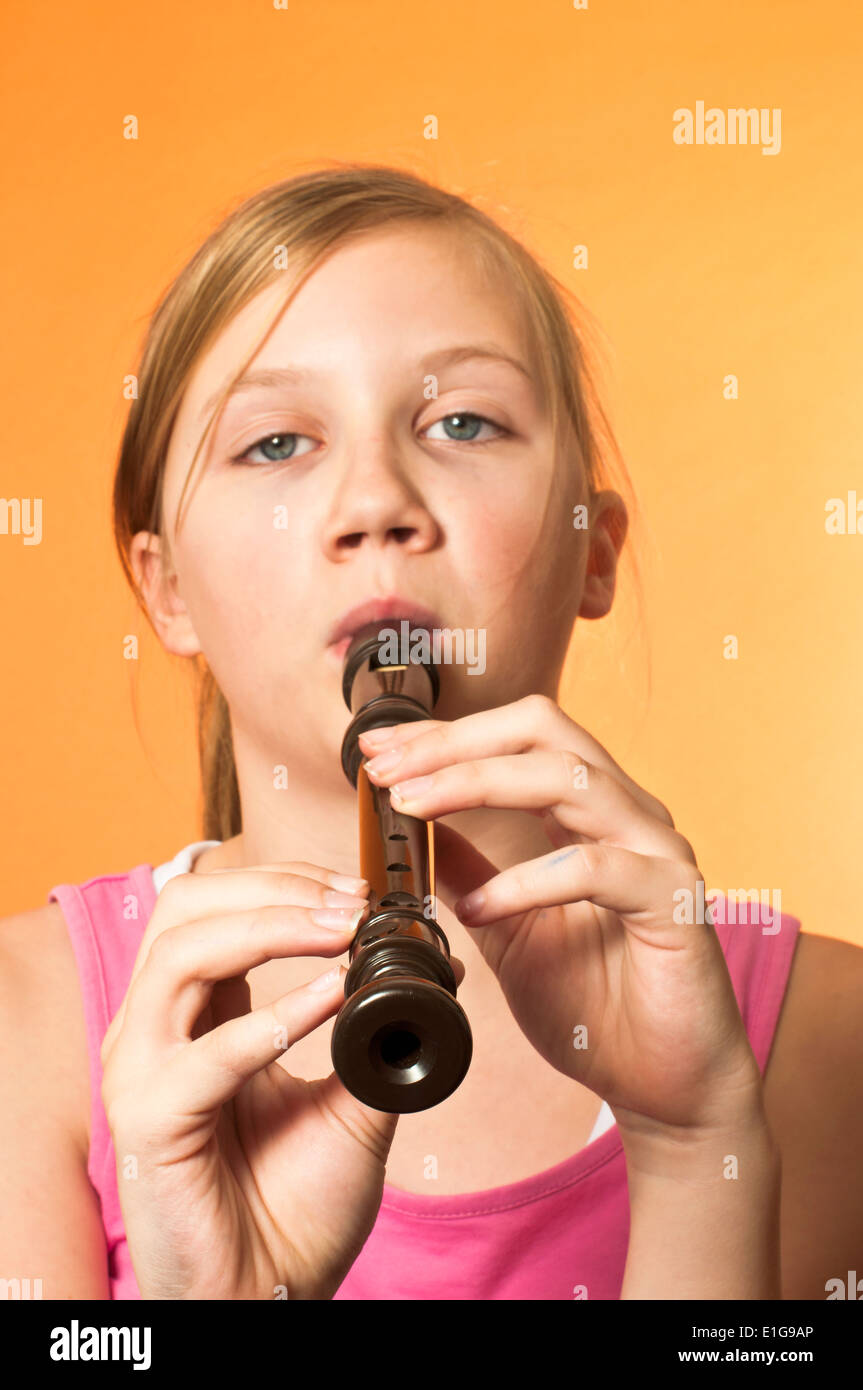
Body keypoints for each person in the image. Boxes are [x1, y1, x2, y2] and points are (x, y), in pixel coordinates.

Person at [2, 165, 861, 1301]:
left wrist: (696, 1143)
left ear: (591, 549)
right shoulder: (29, 1025)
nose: (376, 503)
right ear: (164, 588)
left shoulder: (829, 1039)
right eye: (274, 445)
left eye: (462, 421)